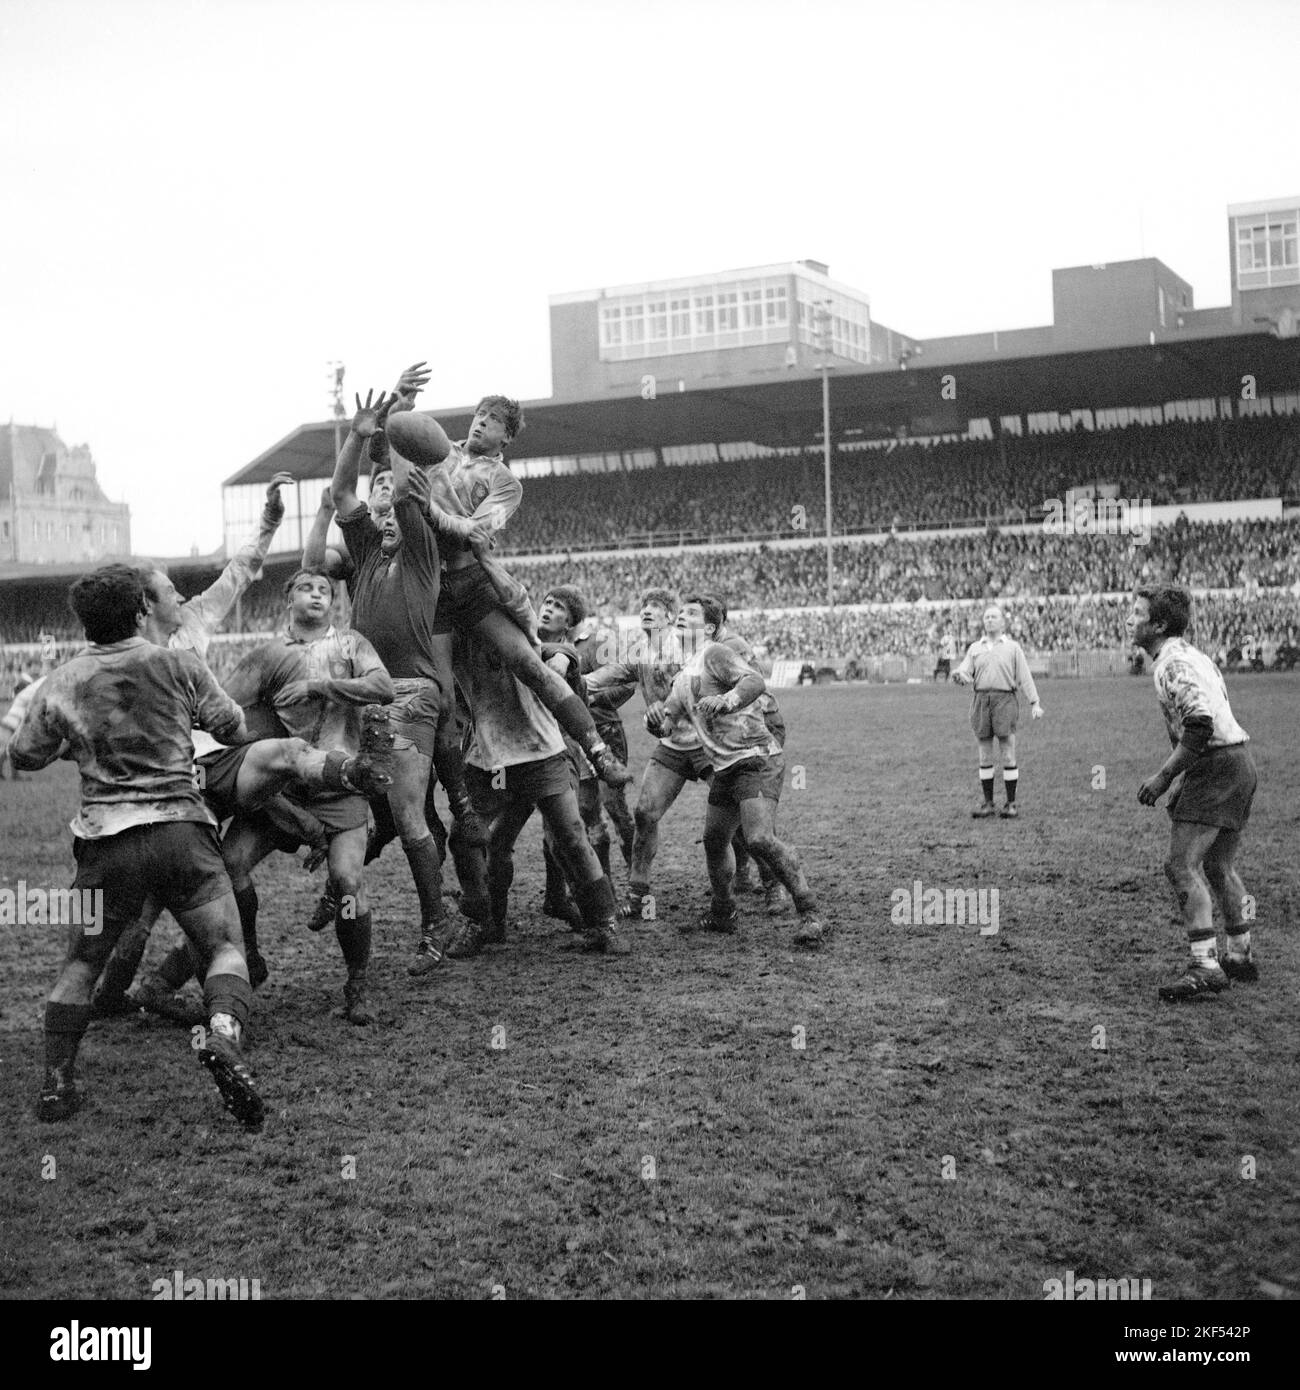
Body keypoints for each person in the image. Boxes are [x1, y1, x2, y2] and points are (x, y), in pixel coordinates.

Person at [11, 565, 264, 1127]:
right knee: (225, 947)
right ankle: (223, 1035)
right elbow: (233, 728)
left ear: (83, 621)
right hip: (181, 831)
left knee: (81, 962)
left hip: (106, 843)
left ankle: (56, 1086)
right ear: (141, 611)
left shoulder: (62, 680)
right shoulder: (177, 664)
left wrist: (80, 740)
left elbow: (25, 754)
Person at [163, 568, 394, 1024]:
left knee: (348, 883)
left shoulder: (350, 644)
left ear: (334, 602)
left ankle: (357, 982)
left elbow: (383, 688)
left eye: (325, 590)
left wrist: (320, 685)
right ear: (288, 597)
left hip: (340, 786)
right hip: (281, 791)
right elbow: (220, 713)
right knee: (230, 867)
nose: (317, 595)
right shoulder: (267, 655)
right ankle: (249, 951)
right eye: (306, 588)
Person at [385, 391, 632, 789]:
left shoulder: (506, 484)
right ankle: (458, 799)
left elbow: (475, 536)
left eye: (492, 419)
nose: (480, 421)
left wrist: (430, 508)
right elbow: (391, 454)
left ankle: (597, 751)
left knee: (530, 665)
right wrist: (395, 409)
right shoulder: (438, 450)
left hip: (471, 584)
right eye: (479, 413)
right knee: (443, 699)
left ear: (507, 436)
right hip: (431, 590)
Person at [332, 383, 463, 975]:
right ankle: (340, 889)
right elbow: (340, 492)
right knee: (355, 808)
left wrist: (400, 427)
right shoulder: (365, 555)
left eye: (392, 514)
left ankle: (437, 924)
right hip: (365, 698)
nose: (383, 518)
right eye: (378, 515)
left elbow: (409, 489)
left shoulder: (419, 552)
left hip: (409, 692)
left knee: (409, 813)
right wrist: (361, 435)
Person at [444, 560, 629, 958]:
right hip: (489, 758)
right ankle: (482, 920)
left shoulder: (529, 635)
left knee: (571, 836)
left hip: (541, 752)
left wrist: (479, 553)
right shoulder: (454, 637)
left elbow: (553, 651)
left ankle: (604, 924)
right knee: (468, 839)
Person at [648, 597, 825, 948]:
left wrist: (727, 700)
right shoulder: (683, 676)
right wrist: (653, 720)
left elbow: (754, 681)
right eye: (680, 613)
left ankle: (811, 913)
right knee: (715, 841)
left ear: (710, 628)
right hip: (725, 766)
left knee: (758, 838)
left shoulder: (715, 654)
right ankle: (723, 912)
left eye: (692, 614)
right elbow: (666, 726)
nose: (682, 616)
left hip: (756, 757)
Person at [1128, 587, 1259, 1002]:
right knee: (1219, 865)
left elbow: (1200, 725)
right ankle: (1239, 955)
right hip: (1238, 762)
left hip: (1217, 765)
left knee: (1181, 866)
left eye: (1137, 613)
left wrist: (1164, 777)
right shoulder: (1193, 655)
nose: (1129, 620)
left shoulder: (1172, 663)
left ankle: (1206, 966)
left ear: (1159, 625)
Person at [584, 588, 700, 921]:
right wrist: (573, 683)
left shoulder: (687, 647)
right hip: (673, 745)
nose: (647, 611)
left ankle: (768, 882)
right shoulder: (640, 652)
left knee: (738, 813)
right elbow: (607, 675)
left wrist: (667, 710)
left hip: (709, 742)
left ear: (670, 616)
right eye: (644, 607)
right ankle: (638, 896)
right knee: (646, 813)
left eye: (656, 607)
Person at [952, 604, 1044, 819]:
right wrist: (958, 675)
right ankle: (988, 803)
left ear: (1002, 622)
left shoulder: (1012, 647)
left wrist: (1035, 702)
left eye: (994, 617)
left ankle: (1011, 804)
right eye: (987, 617)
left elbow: (1024, 677)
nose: (990, 620)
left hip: (1005, 700)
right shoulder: (975, 648)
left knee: (1008, 751)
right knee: (984, 754)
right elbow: (964, 671)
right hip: (981, 701)